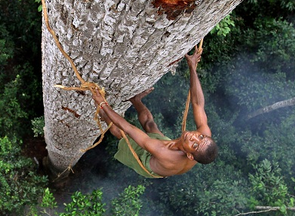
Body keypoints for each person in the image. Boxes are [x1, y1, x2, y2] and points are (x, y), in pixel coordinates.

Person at [91, 49, 217, 178]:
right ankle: (135, 100)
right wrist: (192, 66)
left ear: (190, 156)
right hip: (172, 149)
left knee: (122, 134)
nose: (194, 137)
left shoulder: (164, 153)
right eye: (200, 137)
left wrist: (103, 103)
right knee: (150, 126)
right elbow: (197, 103)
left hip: (150, 165)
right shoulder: (204, 136)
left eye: (194, 144)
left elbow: (128, 128)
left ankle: (98, 106)